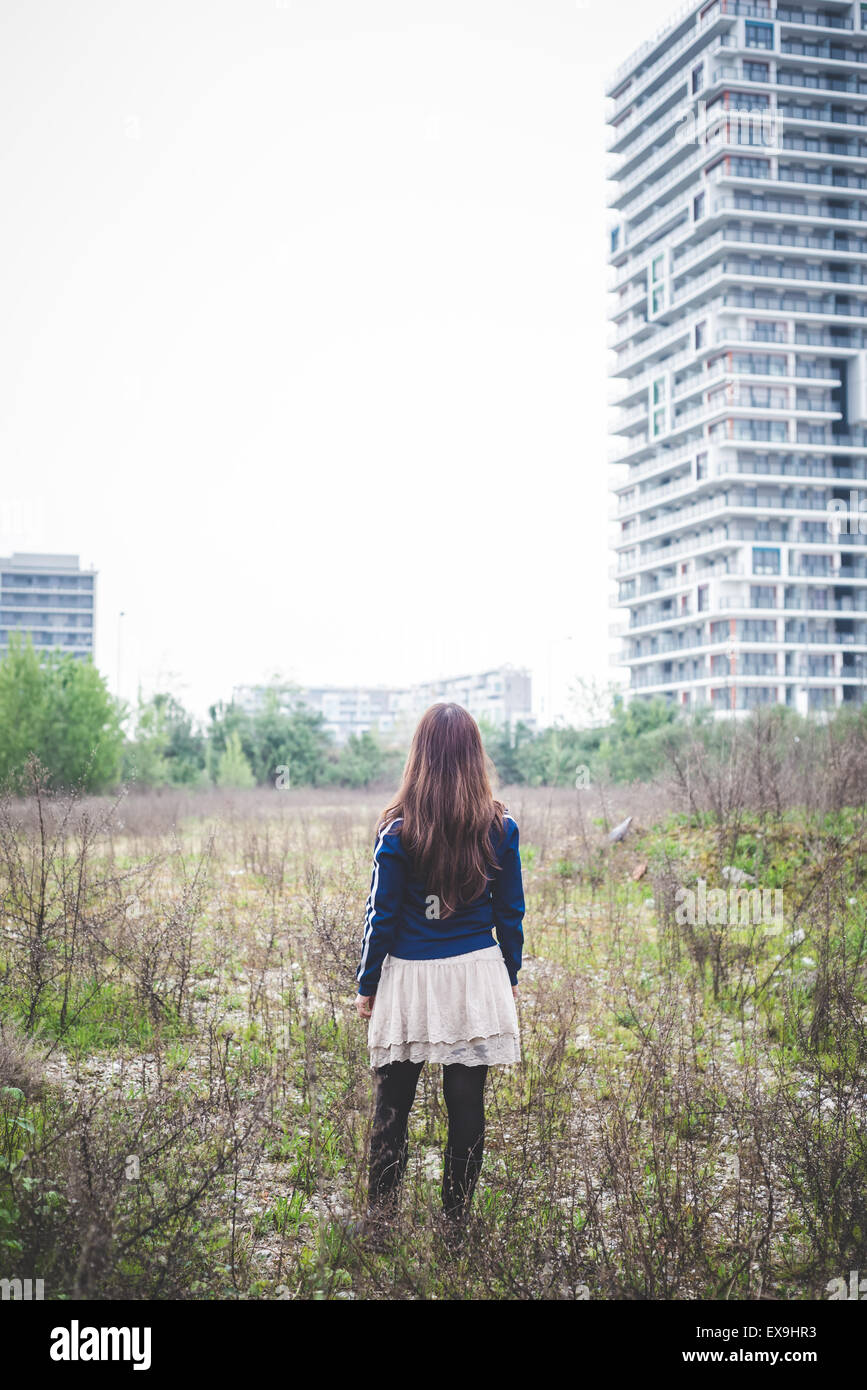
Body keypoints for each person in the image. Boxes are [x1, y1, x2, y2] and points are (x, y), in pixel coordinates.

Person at [352, 701, 525, 1247]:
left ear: (419, 758)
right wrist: (510, 974)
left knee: (393, 1103)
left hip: (409, 975)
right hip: (475, 973)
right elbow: (510, 913)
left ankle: (380, 1223)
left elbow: (381, 915)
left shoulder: (399, 832)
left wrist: (367, 983)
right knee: (467, 1105)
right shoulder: (501, 827)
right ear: (475, 757)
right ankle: (454, 1228)